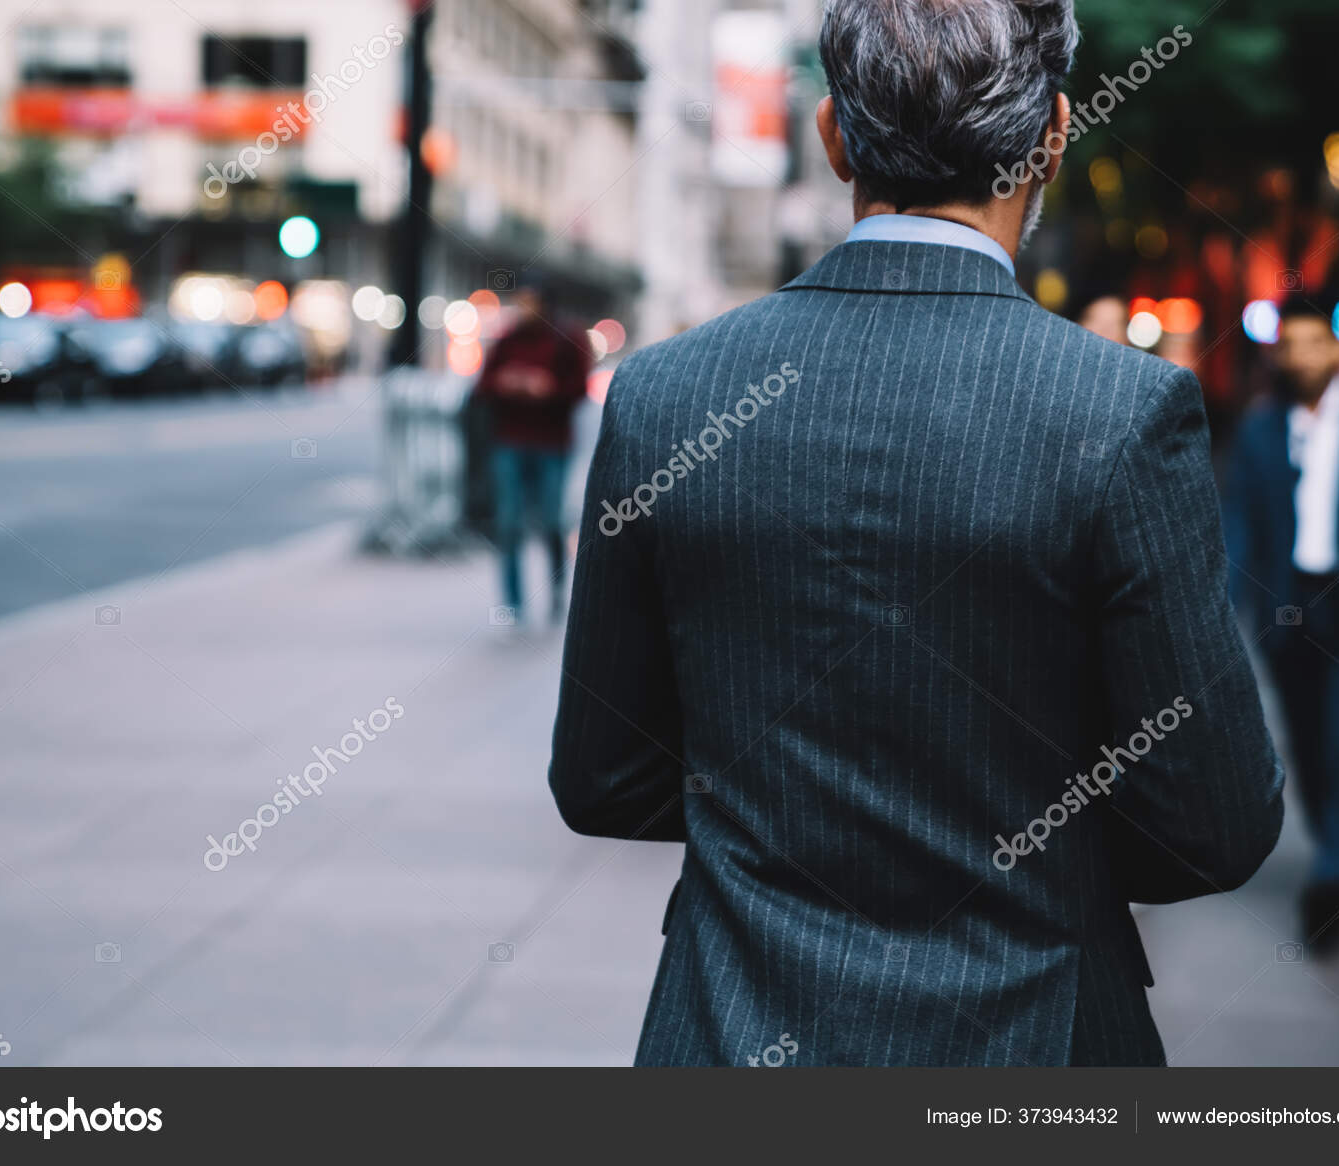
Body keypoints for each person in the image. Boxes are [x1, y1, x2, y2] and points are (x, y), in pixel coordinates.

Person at [549, 0, 1282, 1067]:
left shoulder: (666, 395)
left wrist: (782, 818)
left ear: (833, 135)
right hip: (1031, 1032)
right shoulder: (1118, 413)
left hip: (726, 1027)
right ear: (1055, 133)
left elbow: (604, 779)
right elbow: (1212, 822)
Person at [1223, 297, 1339, 952]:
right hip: (1287, 610)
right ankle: (1336, 846)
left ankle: (1336, 879)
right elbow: (1240, 528)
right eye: (1290, 343)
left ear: (1338, 349)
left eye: (1313, 342)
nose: (1300, 355)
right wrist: (1225, 608)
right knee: (1304, 744)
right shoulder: (1259, 430)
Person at [472, 280, 590, 623]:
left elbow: (580, 388)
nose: (525, 309)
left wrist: (546, 388)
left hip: (552, 444)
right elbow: (482, 386)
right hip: (510, 441)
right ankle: (513, 603)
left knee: (552, 520)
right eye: (520, 302)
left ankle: (555, 592)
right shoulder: (507, 341)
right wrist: (507, 382)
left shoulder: (568, 338)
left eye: (531, 302)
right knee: (509, 522)